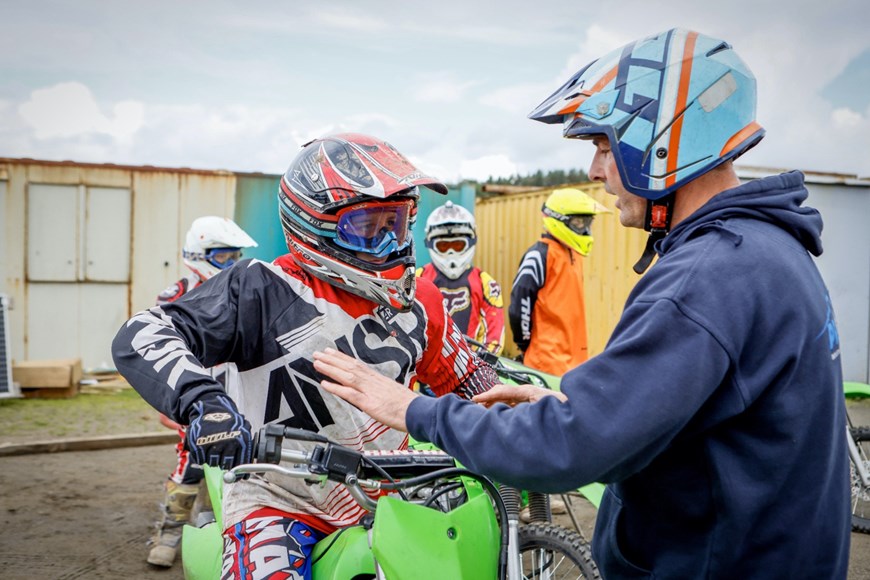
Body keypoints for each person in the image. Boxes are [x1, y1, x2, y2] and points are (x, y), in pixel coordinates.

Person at [312, 29, 850, 578]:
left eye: (602, 145)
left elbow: (570, 450)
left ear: (662, 142)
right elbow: (680, 409)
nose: (595, 171)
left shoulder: (708, 278)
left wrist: (412, 410)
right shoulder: (768, 249)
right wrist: (563, 402)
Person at [112, 133, 500, 579]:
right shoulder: (258, 288)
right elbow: (142, 332)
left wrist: (514, 405)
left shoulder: (422, 300)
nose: (390, 244)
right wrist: (207, 405)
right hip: (280, 495)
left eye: (396, 223)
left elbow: (468, 381)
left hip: (397, 485)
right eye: (368, 228)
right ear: (314, 224)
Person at [147, 215, 257, 568]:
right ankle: (169, 532)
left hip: (237, 392)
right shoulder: (175, 297)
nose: (232, 264)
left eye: (235, 256)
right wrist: (167, 401)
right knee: (190, 464)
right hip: (194, 395)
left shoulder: (241, 294)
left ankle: (225, 530)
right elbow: (157, 354)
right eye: (224, 257)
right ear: (200, 254)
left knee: (241, 462)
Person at [509, 188, 608, 374]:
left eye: (588, 223)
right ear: (559, 220)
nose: (585, 229)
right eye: (579, 223)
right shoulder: (539, 255)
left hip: (575, 361)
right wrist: (525, 345)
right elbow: (519, 306)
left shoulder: (573, 253)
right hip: (546, 363)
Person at [417, 201, 505, 354]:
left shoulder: (485, 283)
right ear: (431, 244)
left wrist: (480, 366)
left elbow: (493, 337)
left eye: (457, 245)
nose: (451, 252)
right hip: (424, 370)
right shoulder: (417, 278)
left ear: (470, 242)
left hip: (471, 370)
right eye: (443, 245)